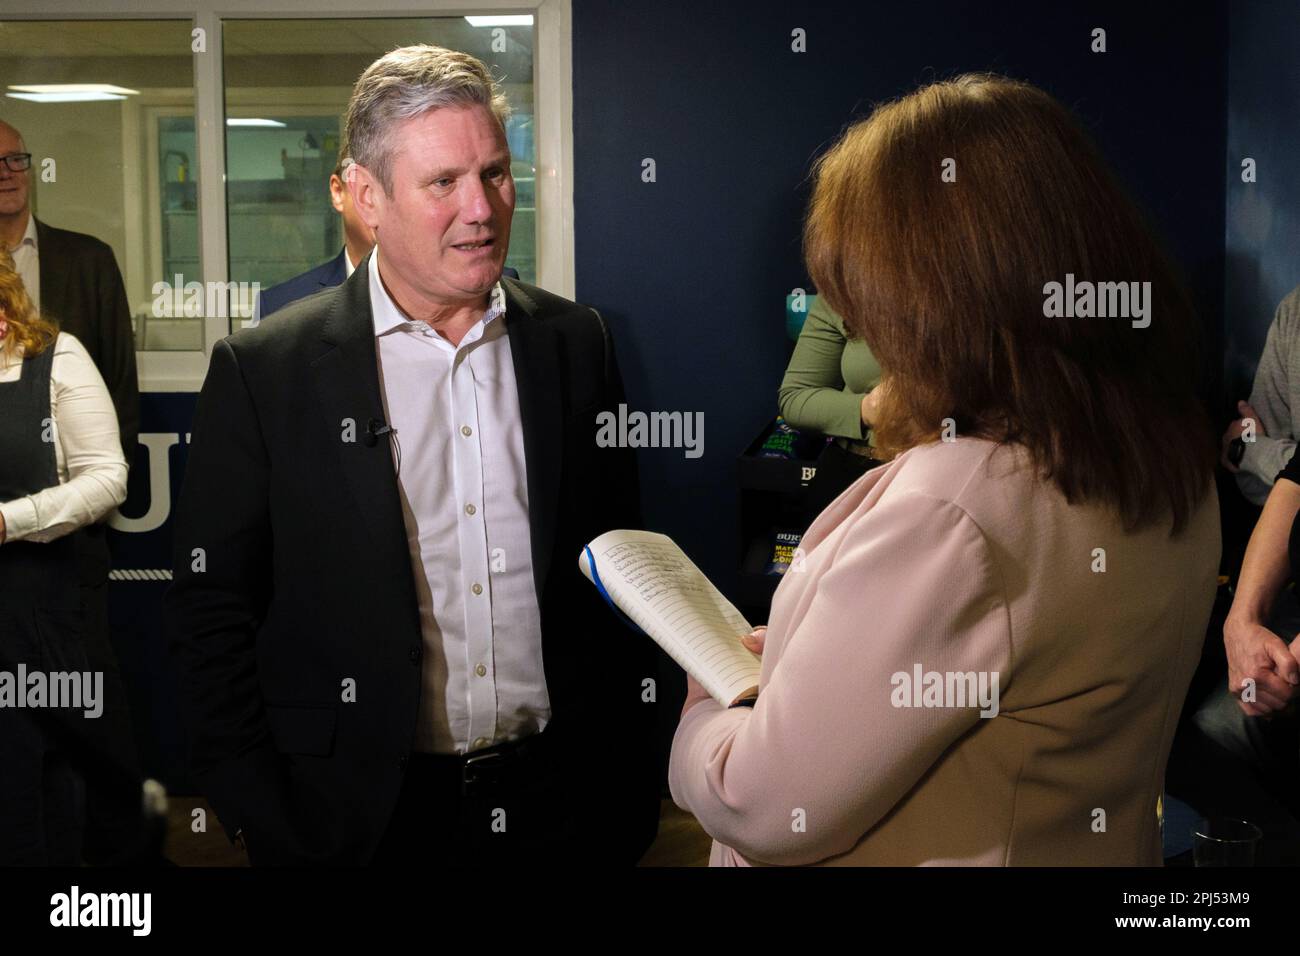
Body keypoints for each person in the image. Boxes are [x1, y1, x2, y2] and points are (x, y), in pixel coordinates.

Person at [669, 73, 1221, 866]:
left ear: (944, 293)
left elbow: (759, 803)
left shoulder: (954, 512)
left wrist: (701, 715)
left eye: (872, 294)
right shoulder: (1165, 455)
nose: (864, 323)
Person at [164, 44, 660, 867]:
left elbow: (623, 569)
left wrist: (632, 778)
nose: (483, 209)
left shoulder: (577, 344)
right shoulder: (266, 371)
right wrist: (258, 809)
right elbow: (210, 612)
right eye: (444, 183)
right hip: (356, 821)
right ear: (367, 196)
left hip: (562, 807)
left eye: (496, 174)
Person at [0, 120, 147, 865]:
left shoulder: (60, 341)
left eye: (14, 159)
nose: (6, 172)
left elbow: (110, 453)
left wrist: (16, 520)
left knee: (69, 761)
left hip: (56, 588)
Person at [253, 143, 376, 324]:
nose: (388, 205)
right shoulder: (280, 309)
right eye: (369, 189)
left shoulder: (432, 299)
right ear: (338, 192)